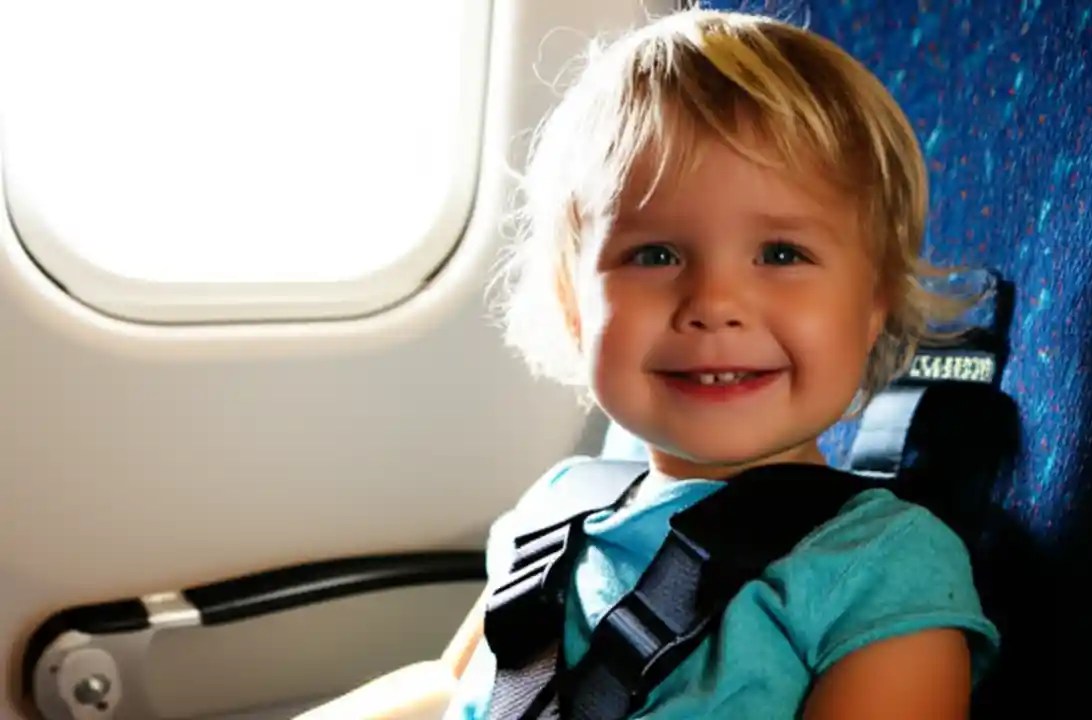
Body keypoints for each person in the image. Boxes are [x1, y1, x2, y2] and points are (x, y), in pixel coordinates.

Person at [300, 7, 999, 719]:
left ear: (873, 302)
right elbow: (451, 688)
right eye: (655, 255)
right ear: (574, 306)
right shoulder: (560, 508)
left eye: (782, 254)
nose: (714, 301)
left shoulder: (881, 569)